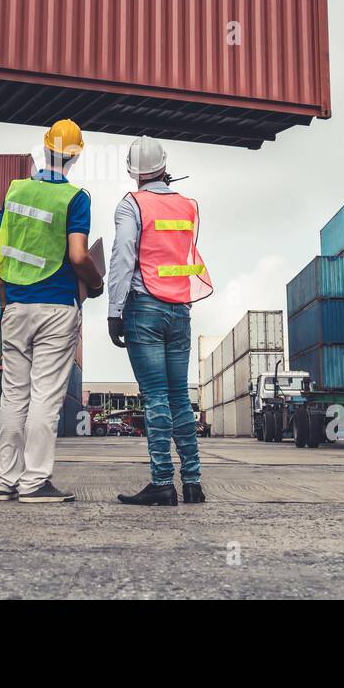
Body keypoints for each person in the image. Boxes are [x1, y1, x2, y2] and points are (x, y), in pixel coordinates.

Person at [0, 119, 104, 504]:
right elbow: (77, 255)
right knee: (45, 398)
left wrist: (6, 301)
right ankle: (35, 482)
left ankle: (4, 481)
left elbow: (1, 253)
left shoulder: (15, 190)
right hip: (55, 307)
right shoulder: (75, 198)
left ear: (44, 148)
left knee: (13, 397)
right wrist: (97, 282)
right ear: (75, 154)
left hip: (16, 305)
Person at [108, 136, 212, 506]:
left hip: (145, 309)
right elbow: (182, 258)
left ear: (132, 172)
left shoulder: (131, 205)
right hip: (180, 311)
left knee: (155, 399)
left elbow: (122, 258)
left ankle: (162, 483)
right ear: (164, 166)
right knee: (179, 397)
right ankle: (194, 483)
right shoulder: (187, 206)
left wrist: (114, 310)